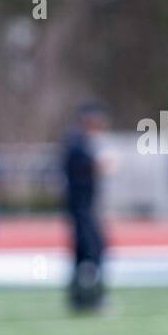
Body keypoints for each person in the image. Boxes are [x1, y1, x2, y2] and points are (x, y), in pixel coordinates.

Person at [62, 101, 110, 312]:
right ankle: (88, 298)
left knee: (89, 252)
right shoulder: (77, 143)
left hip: (84, 209)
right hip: (81, 210)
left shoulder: (81, 142)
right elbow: (93, 166)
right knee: (91, 252)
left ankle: (82, 298)